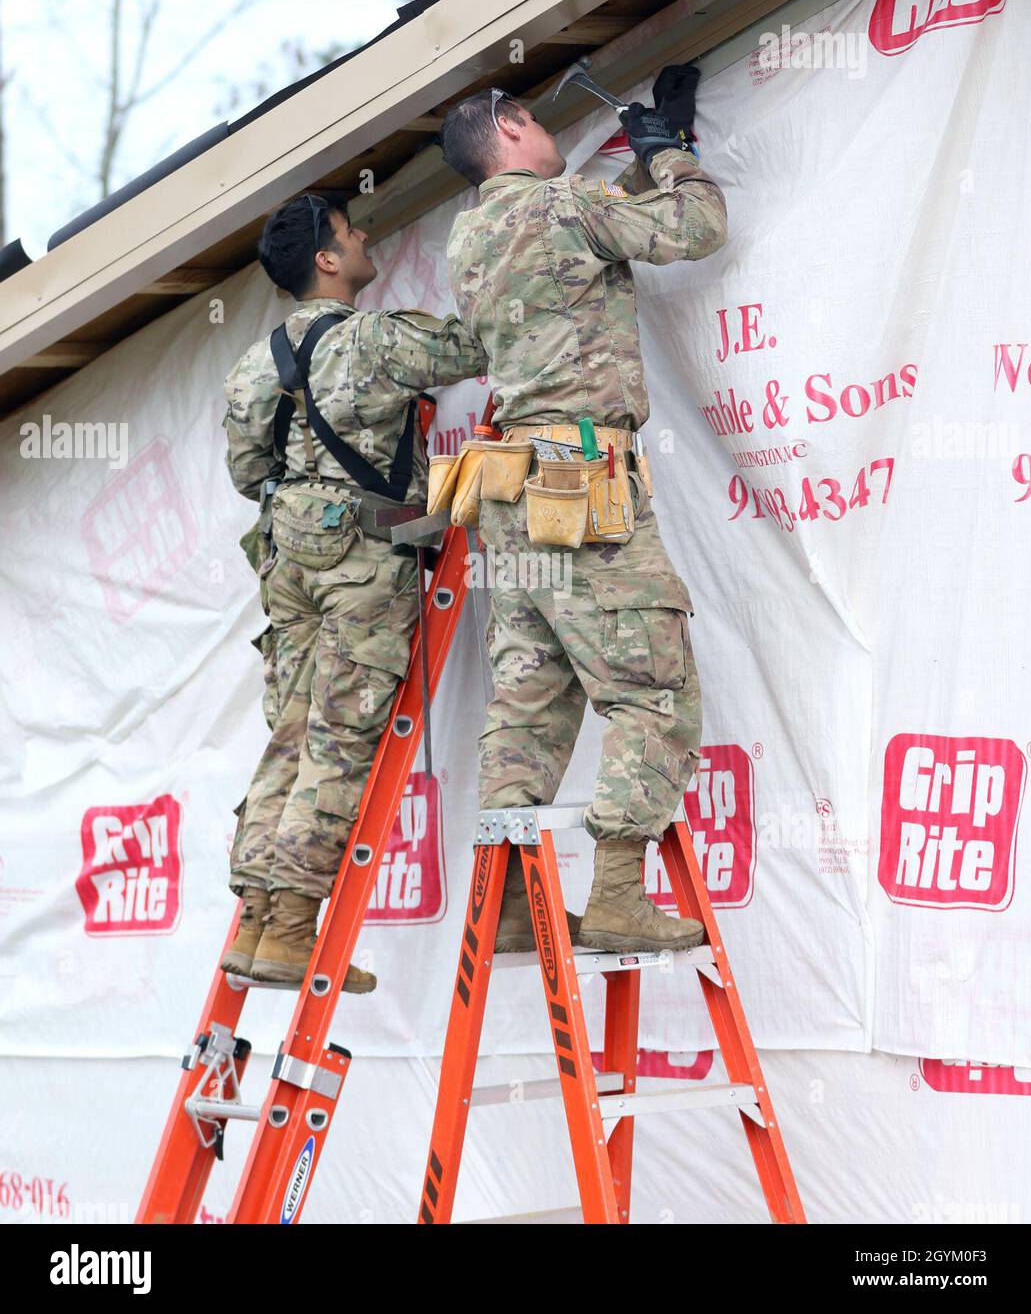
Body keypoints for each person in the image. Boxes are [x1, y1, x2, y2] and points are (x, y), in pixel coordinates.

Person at [438, 81, 727, 953]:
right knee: (653, 686)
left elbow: (583, 241)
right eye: (538, 117)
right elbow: (696, 229)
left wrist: (638, 162)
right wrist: (669, 151)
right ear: (511, 126)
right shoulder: (567, 205)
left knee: (529, 693)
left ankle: (513, 906)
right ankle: (613, 895)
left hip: (507, 485)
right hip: (580, 475)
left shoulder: (467, 237)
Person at [221, 192, 486, 985]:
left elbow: (247, 475)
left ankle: (258, 925)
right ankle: (297, 926)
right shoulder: (370, 339)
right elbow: (475, 347)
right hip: (359, 561)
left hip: (287, 562)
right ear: (327, 260)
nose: (365, 232)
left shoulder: (252, 361)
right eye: (350, 230)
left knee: (292, 734)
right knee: (339, 739)